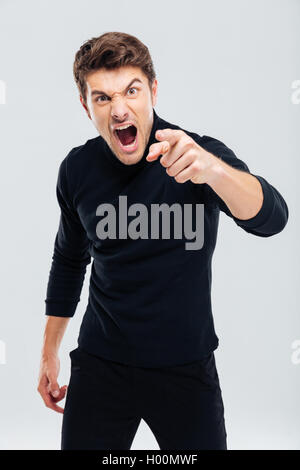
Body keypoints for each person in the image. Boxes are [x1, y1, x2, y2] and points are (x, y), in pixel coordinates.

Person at [37, 31, 289, 450]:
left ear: (153, 90)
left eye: (131, 90)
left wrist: (215, 172)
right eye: (102, 98)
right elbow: (68, 259)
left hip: (185, 367)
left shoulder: (195, 155)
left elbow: (273, 219)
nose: (119, 110)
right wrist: (49, 351)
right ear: (86, 107)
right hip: (101, 366)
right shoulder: (77, 169)